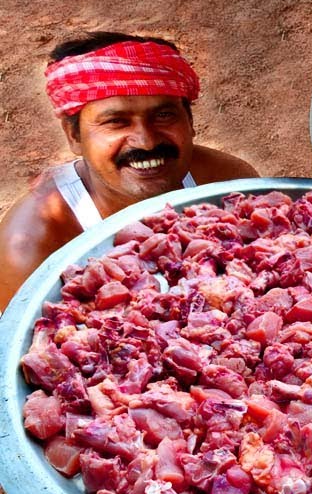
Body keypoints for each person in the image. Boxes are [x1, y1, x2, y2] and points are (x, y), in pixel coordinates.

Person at [0, 32, 259, 309]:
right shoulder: (34, 243)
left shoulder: (225, 182)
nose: (146, 142)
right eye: (116, 121)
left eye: (163, 115)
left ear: (190, 122)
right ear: (74, 136)